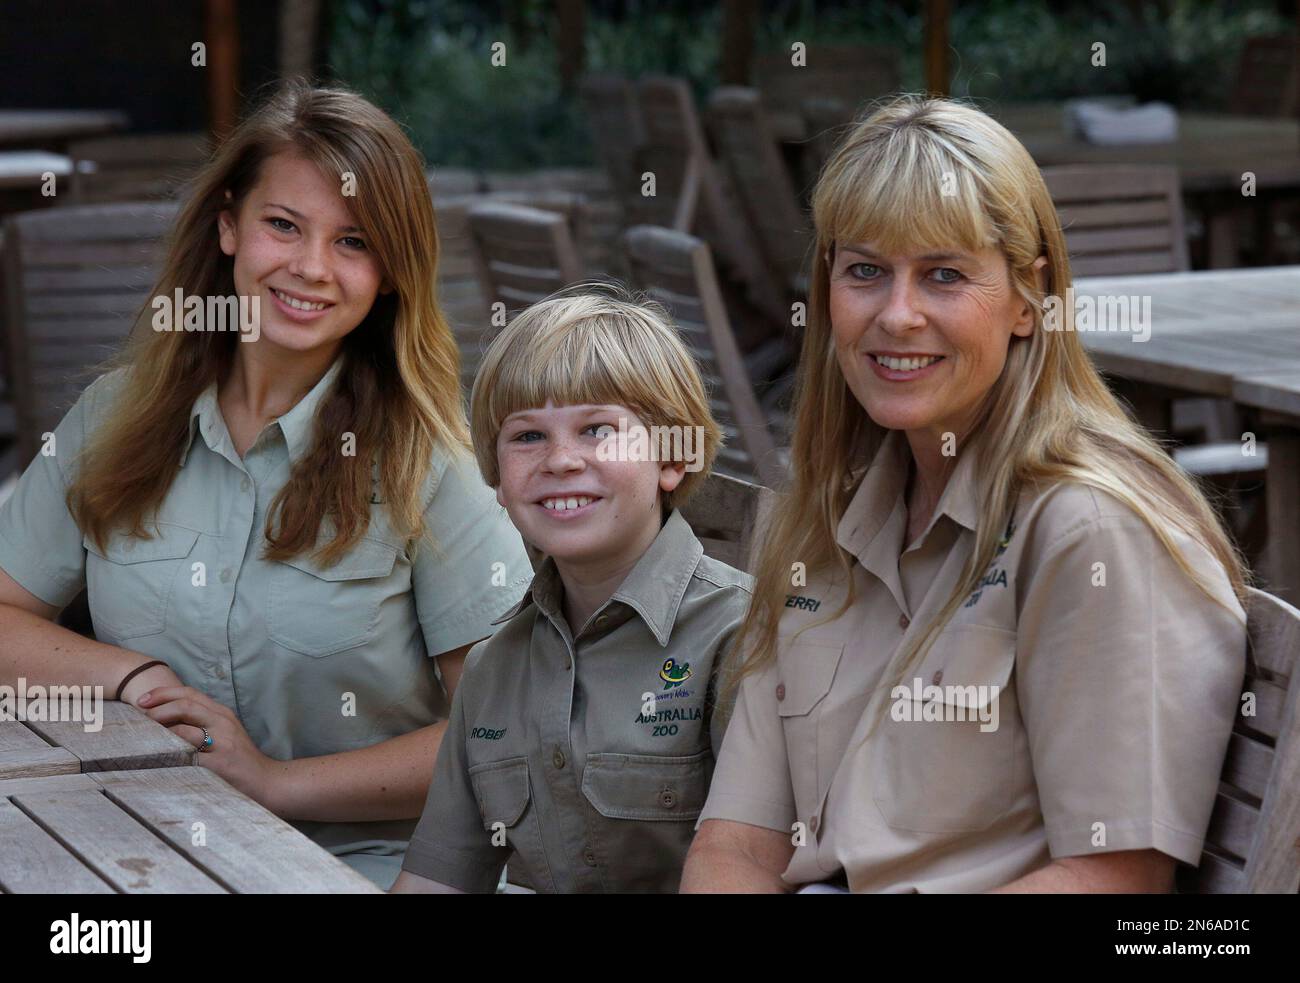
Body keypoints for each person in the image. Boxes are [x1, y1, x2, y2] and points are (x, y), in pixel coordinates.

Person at [681, 95, 1250, 894]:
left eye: (944, 275)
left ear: (1029, 299)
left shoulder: (1091, 533)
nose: (897, 313)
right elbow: (735, 845)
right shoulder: (827, 521)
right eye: (866, 272)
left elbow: (1110, 878)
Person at [0, 80, 533, 890]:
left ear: (391, 273)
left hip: (369, 866)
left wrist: (277, 782)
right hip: (142, 844)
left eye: (354, 242)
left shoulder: (425, 460)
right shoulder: (115, 418)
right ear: (227, 227)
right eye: (283, 224)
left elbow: (506, 729)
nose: (310, 268)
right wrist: (131, 677)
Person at [391, 291, 754, 893]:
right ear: (497, 481)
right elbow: (438, 879)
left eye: (597, 430)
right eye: (527, 437)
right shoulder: (493, 667)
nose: (561, 460)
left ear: (671, 459)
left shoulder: (742, 637)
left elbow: (758, 862)